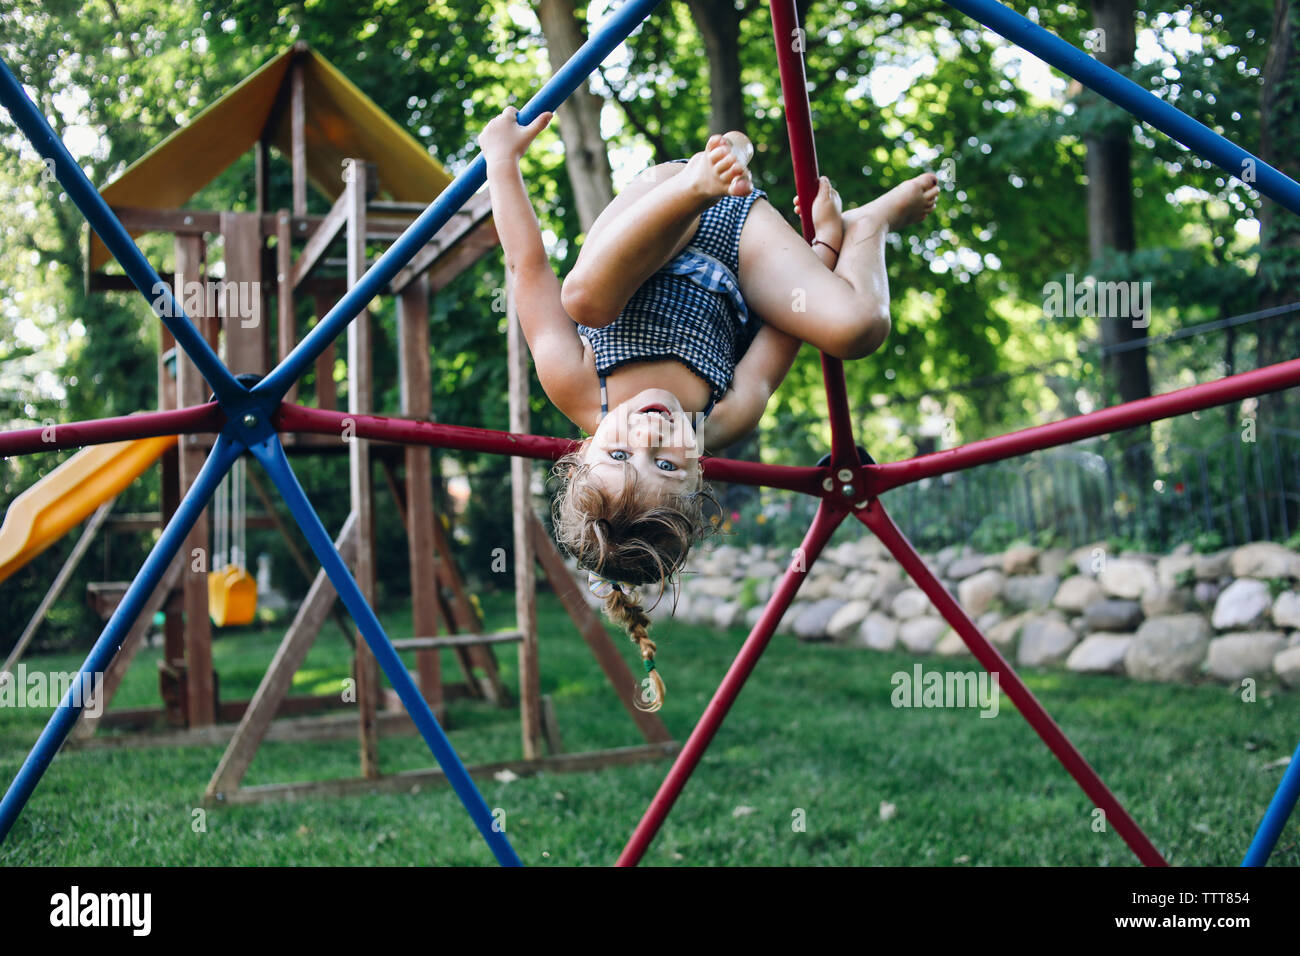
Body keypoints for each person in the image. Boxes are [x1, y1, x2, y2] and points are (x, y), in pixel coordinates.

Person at [480, 105, 938, 710]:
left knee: (583, 299)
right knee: (857, 330)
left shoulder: (578, 384)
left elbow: (526, 267)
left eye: (619, 452)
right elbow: (783, 330)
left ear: (583, 451)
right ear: (698, 476)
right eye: (665, 465)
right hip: (744, 243)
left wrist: (501, 160)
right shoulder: (725, 416)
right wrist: (824, 242)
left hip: (664, 215)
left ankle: (701, 178)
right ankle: (872, 222)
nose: (650, 433)